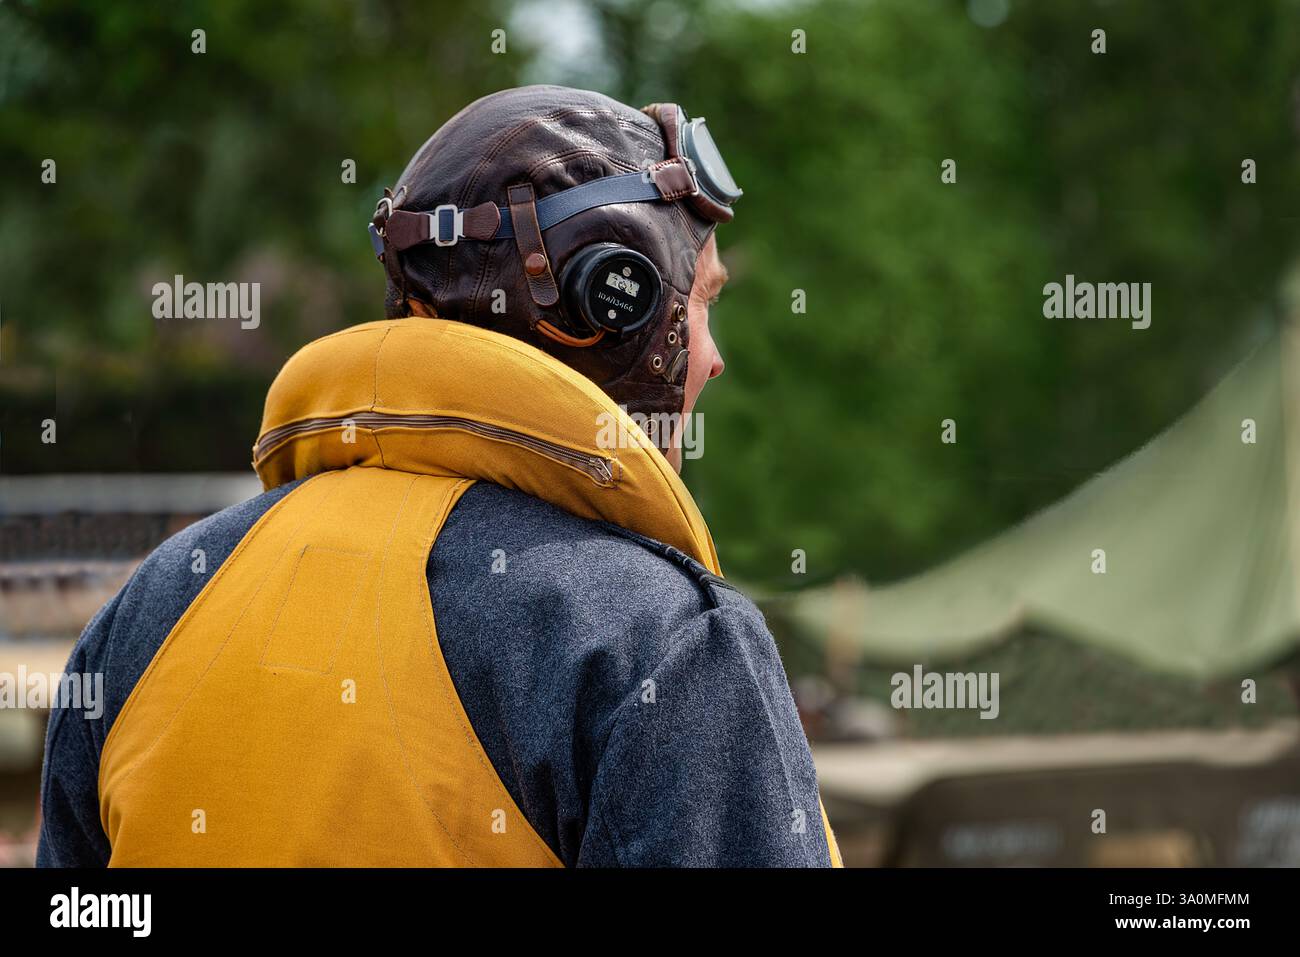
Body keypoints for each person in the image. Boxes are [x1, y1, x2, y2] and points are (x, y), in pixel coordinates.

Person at [37, 85, 842, 867]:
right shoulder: (659, 646)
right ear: (612, 307)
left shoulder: (150, 608)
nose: (713, 355)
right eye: (701, 303)